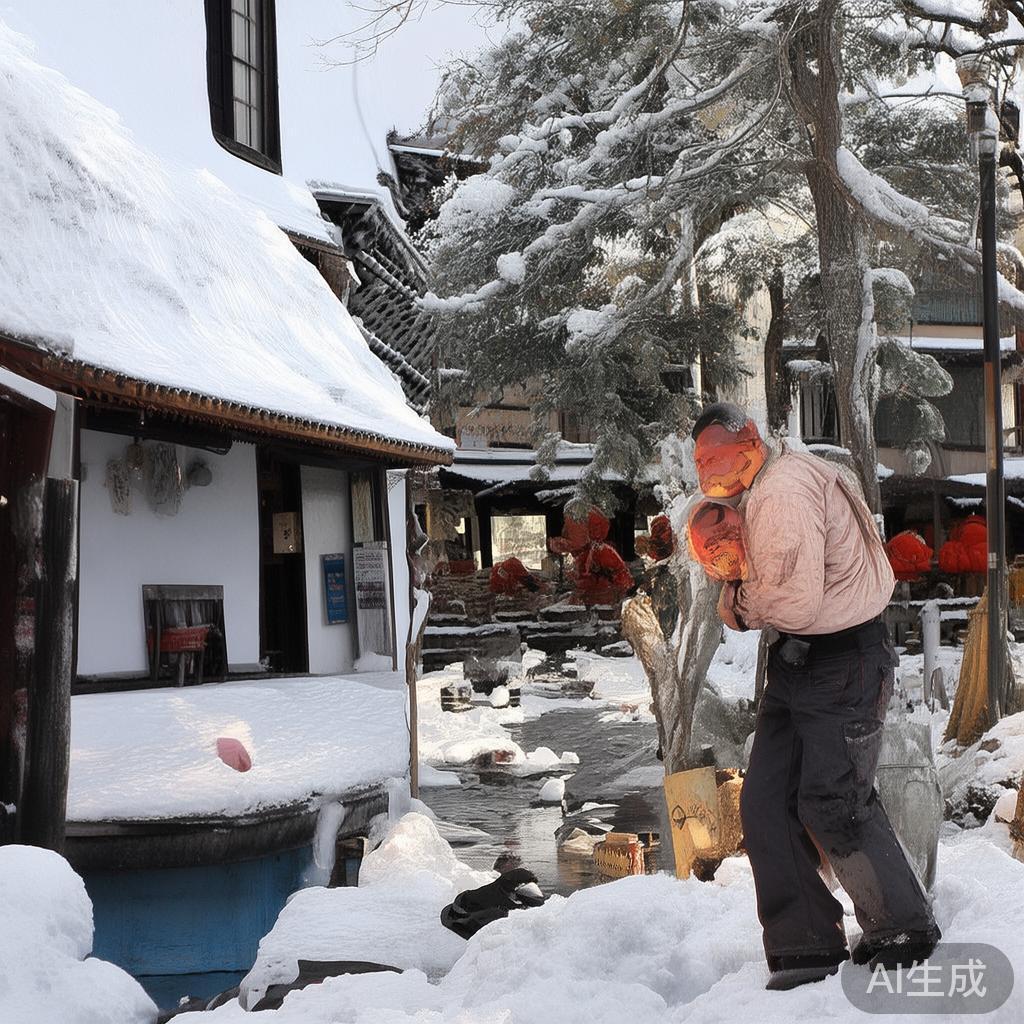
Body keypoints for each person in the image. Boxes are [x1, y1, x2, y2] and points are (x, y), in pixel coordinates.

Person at [691, 402, 940, 992]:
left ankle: (903, 930)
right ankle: (802, 945)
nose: (716, 469)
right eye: (706, 462)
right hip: (802, 659)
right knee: (766, 802)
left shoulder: (781, 493)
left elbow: (794, 603)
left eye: (721, 455)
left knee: (834, 800)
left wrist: (735, 602)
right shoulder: (770, 483)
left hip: (842, 659)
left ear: (750, 441)